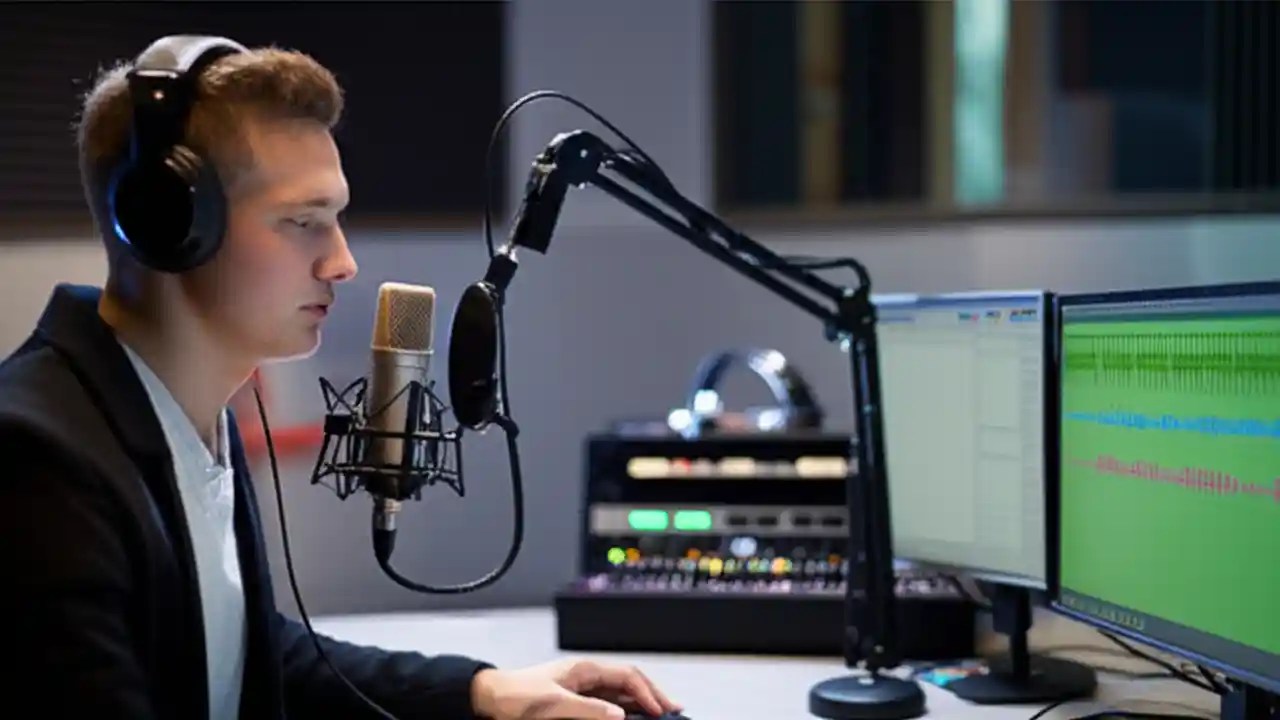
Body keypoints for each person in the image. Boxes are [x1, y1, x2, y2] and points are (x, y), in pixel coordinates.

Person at [0, 35, 681, 720]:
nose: (342, 262)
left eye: (337, 219)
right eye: (303, 222)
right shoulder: (37, 459)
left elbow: (247, 656)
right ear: (166, 224)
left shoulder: (181, 421)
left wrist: (484, 692)